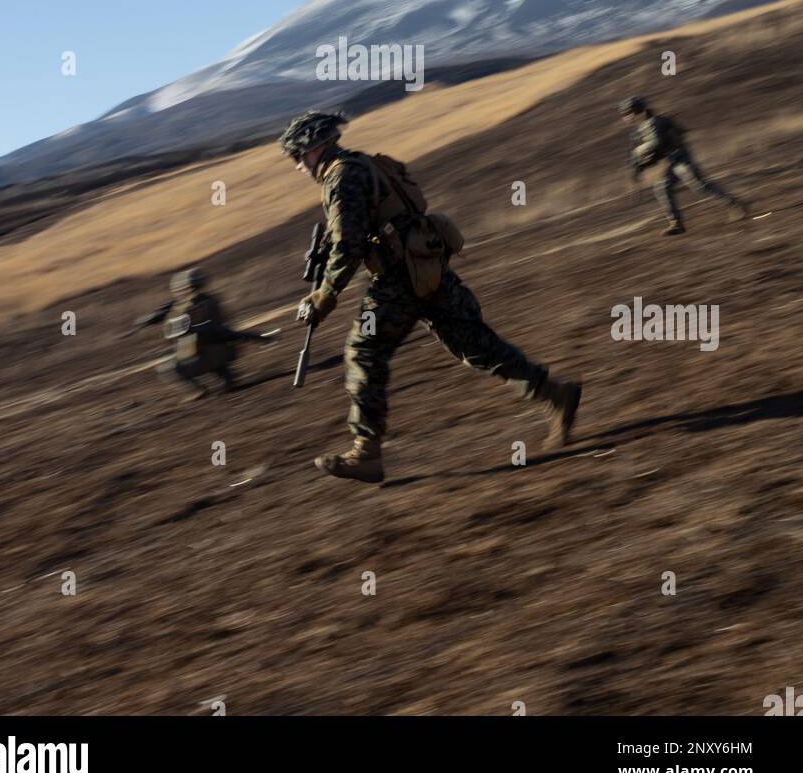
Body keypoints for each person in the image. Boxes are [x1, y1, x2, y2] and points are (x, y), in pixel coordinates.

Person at [279, 110, 581, 484]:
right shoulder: (365, 164)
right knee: (476, 343)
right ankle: (555, 394)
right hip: (427, 265)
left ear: (314, 148)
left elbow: (349, 245)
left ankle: (367, 453)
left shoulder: (340, 177)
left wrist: (324, 295)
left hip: (398, 278)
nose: (297, 167)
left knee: (364, 351)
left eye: (297, 157)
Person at [132, 266, 273, 396]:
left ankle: (199, 391)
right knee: (207, 350)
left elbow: (213, 330)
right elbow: (168, 312)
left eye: (182, 290)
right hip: (222, 350)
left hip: (208, 354)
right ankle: (227, 376)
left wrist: (258, 337)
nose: (179, 293)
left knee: (168, 369)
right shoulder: (206, 302)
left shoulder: (195, 309)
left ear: (187, 288)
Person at [619, 96, 748, 236]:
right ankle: (676, 224)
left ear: (637, 111)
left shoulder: (655, 122)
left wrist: (639, 153)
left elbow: (657, 144)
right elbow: (656, 149)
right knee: (662, 187)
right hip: (673, 159)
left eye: (627, 113)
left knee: (699, 185)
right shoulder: (642, 128)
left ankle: (735, 204)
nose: (625, 118)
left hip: (680, 156)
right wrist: (639, 167)